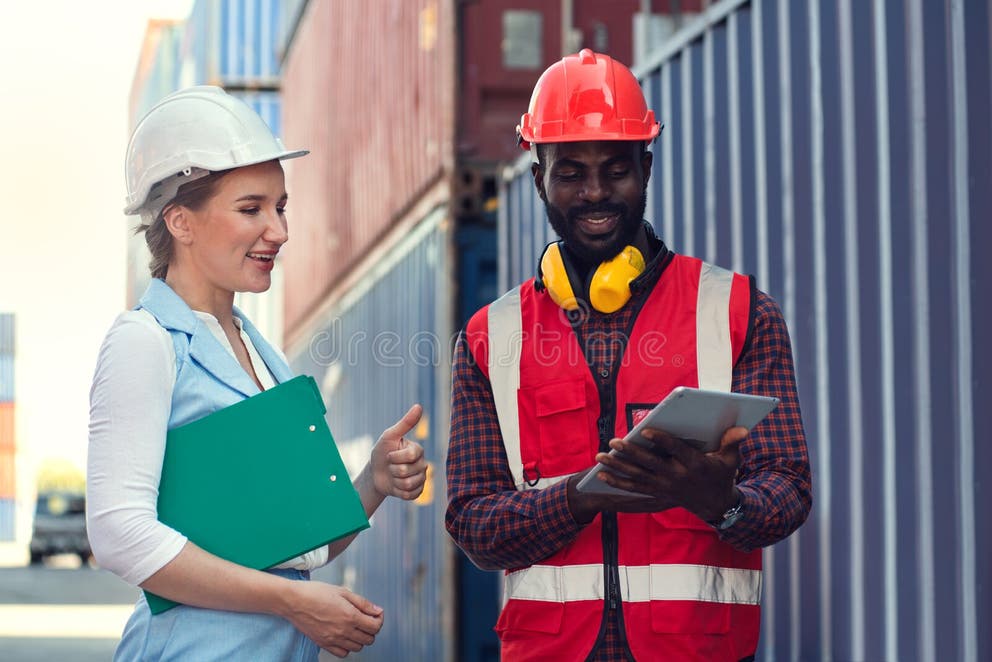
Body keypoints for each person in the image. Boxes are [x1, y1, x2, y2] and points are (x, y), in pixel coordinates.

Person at [445, 49, 811, 662]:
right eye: (570, 172)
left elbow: (789, 493)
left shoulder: (739, 311)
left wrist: (722, 502)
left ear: (645, 168)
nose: (594, 193)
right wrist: (580, 497)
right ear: (539, 178)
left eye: (615, 170)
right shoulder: (490, 338)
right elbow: (476, 528)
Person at [87, 86, 428, 661]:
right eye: (251, 209)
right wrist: (293, 604)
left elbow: (297, 546)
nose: (279, 230)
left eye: (280, 206)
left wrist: (374, 482)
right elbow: (119, 535)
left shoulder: (260, 350)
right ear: (180, 222)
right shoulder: (144, 343)